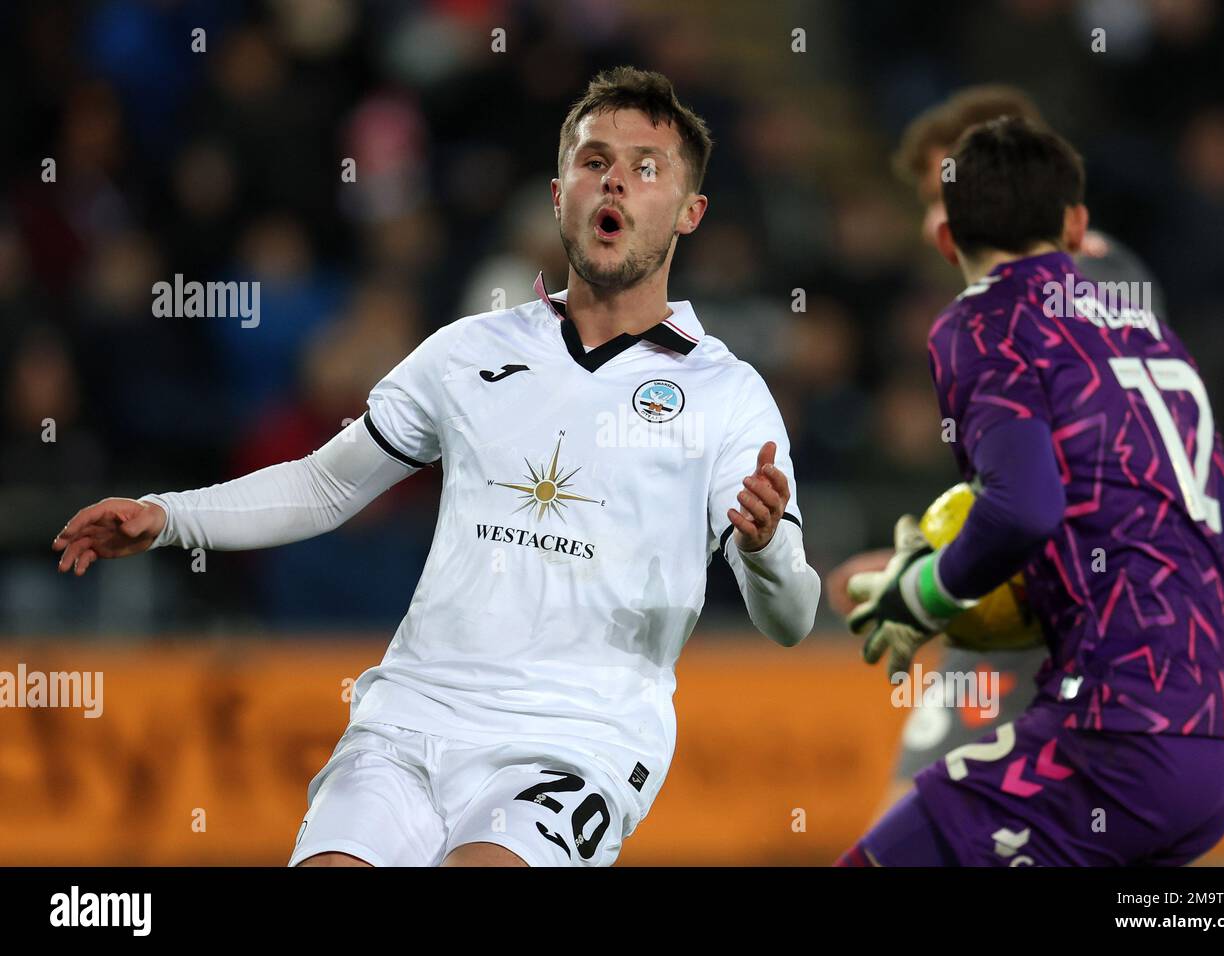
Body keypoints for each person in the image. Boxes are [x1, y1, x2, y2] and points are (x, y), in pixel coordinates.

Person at [51, 66, 820, 867]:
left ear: (689, 212)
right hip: (408, 722)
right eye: (593, 161)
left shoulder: (726, 393)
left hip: (575, 743)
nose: (614, 180)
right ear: (559, 195)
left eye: (645, 166)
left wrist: (764, 552)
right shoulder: (469, 351)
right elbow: (324, 483)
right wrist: (170, 516)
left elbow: (792, 617)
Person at [836, 117, 1224, 866]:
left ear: (944, 239)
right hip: (1219, 740)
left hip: (1114, 736)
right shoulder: (1154, 333)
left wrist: (926, 592)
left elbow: (1023, 507)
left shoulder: (983, 321)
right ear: (1075, 224)